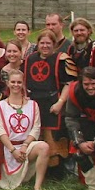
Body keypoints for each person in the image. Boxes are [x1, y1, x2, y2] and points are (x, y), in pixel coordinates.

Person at [24, 29, 74, 175]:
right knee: (36, 135)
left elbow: (69, 83)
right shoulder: (30, 59)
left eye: (48, 43)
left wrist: (60, 102)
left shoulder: (62, 59)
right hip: (35, 103)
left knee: (53, 138)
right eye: (42, 43)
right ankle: (36, 170)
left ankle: (56, 172)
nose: (45, 46)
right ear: (38, 44)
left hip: (53, 103)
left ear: (54, 44)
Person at [0, 70, 50, 190]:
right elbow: (0, 131)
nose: (16, 85)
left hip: (26, 147)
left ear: (23, 84)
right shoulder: (0, 106)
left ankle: (37, 187)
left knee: (44, 147)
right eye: (13, 82)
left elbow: (36, 128)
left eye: (19, 82)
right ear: (8, 83)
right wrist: (13, 150)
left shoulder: (33, 105)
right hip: (8, 149)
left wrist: (25, 146)